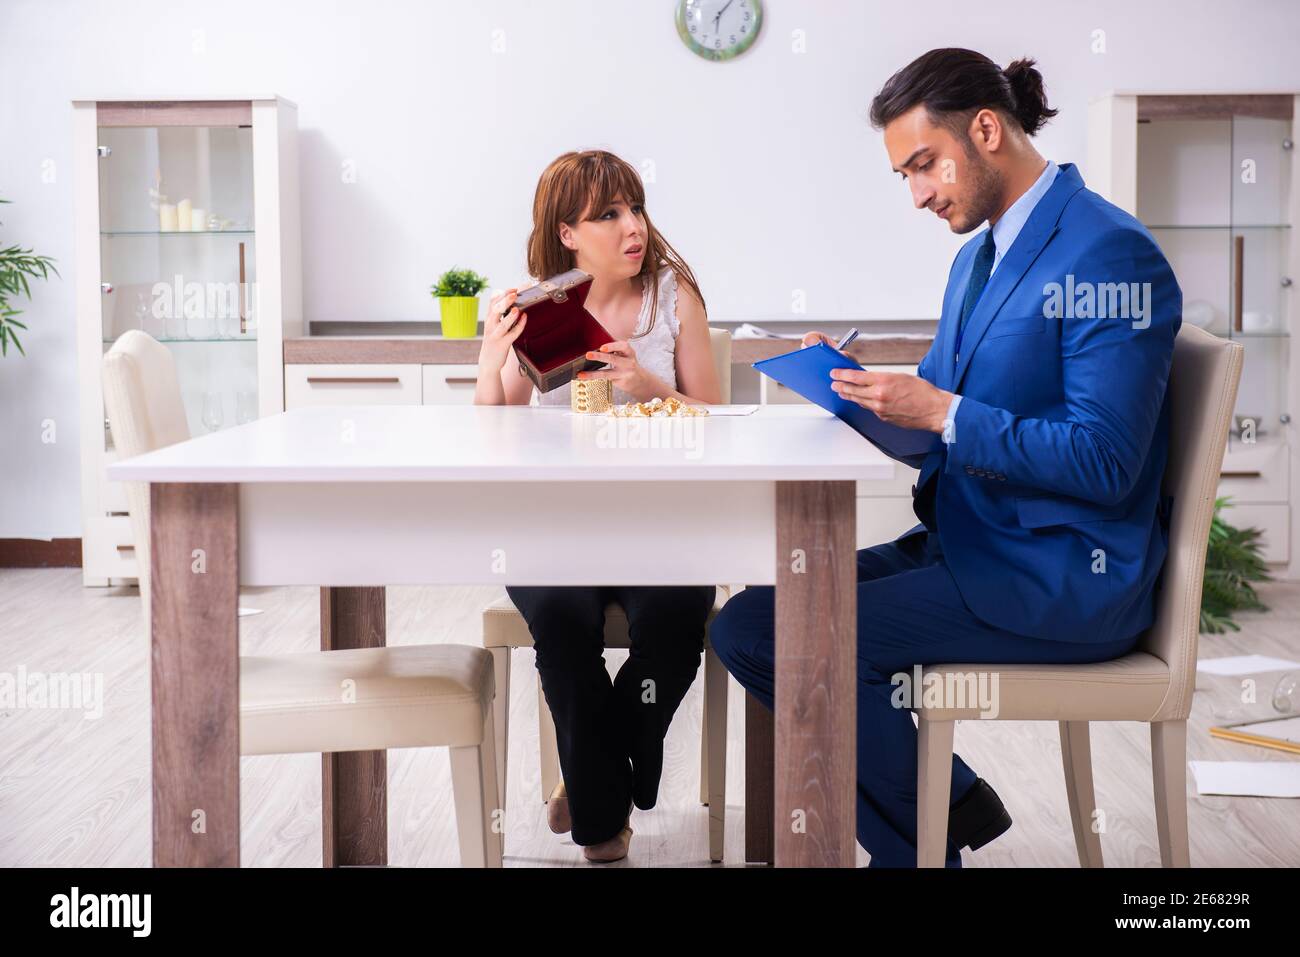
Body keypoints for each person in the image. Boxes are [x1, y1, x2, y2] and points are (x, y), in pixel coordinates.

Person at [709, 49, 1182, 867]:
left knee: (807, 641)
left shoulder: (1110, 254)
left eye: (925, 165)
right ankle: (951, 809)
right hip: (970, 542)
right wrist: (852, 389)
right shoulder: (977, 256)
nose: (919, 193)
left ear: (987, 130)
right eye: (905, 175)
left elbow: (1106, 459)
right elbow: (939, 411)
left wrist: (947, 412)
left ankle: (928, 845)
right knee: (750, 621)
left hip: (1060, 576)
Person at [474, 149, 722, 862]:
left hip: (658, 520)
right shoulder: (540, 310)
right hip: (556, 521)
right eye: (608, 214)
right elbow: (494, 431)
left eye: (635, 208)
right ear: (568, 234)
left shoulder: (675, 296)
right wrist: (492, 361)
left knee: (677, 621)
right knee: (559, 617)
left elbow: (718, 417)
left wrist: (650, 384)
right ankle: (603, 812)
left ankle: (595, 776)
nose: (632, 226)